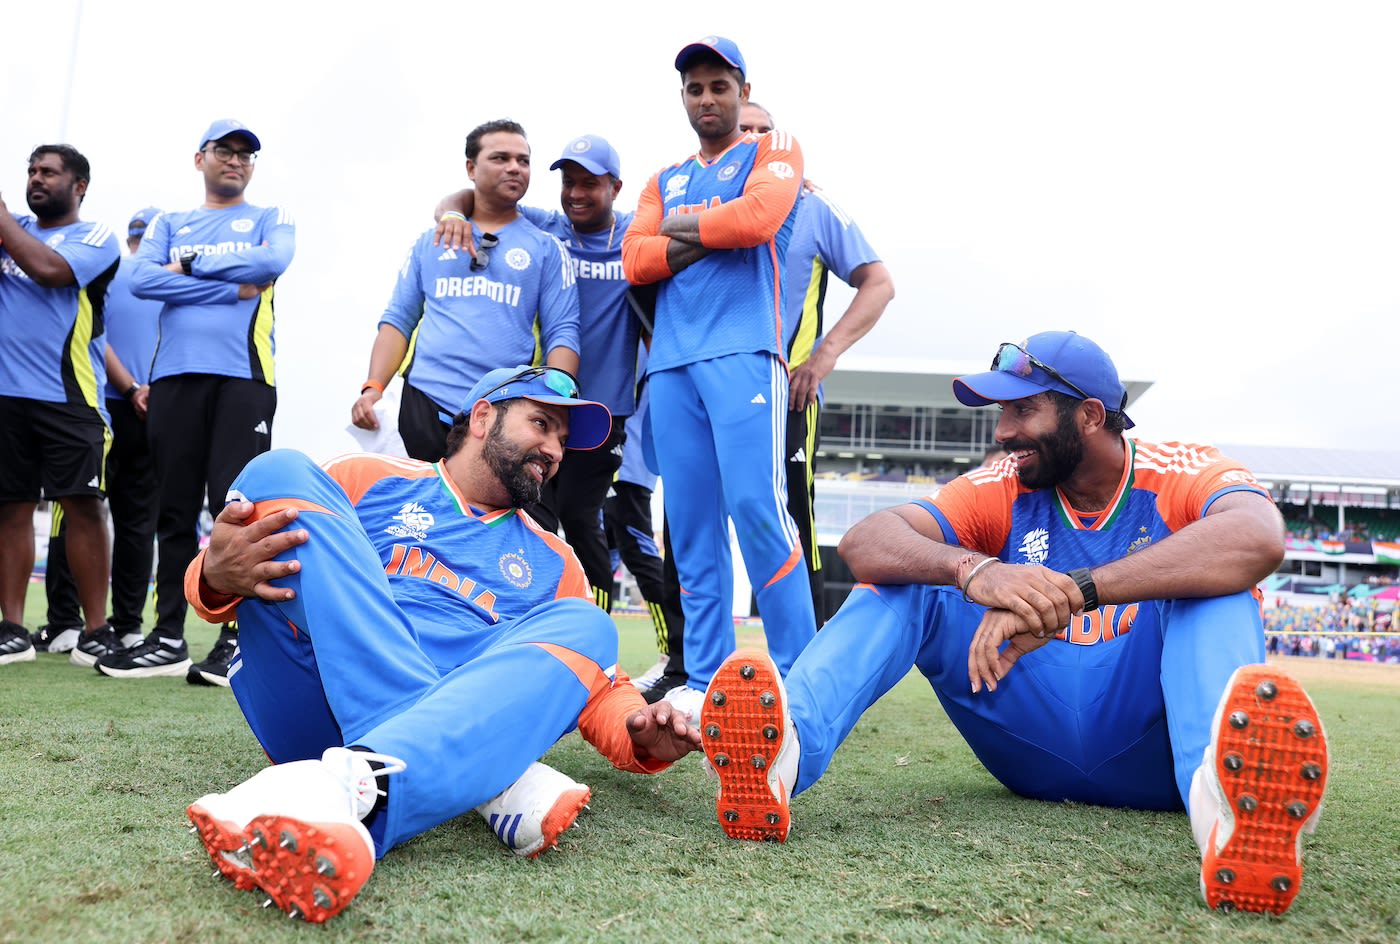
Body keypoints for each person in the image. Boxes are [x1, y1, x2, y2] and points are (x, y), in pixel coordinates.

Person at [698, 331, 1331, 916]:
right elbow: (867, 541)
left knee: (1218, 583)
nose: (1002, 431)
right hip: (1028, 737)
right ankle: (780, 759)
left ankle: (1228, 814)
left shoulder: (1179, 467)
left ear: (1088, 415)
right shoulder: (1002, 485)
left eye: (1022, 411)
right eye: (1001, 413)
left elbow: (1257, 537)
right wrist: (975, 571)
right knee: (910, 577)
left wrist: (1079, 592)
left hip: (1158, 755)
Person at [183, 365, 700, 923]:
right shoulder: (365, 476)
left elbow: (604, 689)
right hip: (313, 696)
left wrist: (642, 738)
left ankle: (343, 788)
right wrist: (212, 574)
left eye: (562, 441)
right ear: (483, 417)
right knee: (275, 471)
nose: (553, 449)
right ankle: (486, 779)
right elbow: (229, 569)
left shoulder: (557, 561)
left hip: (376, 747)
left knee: (588, 625)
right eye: (541, 424)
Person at [621, 36, 814, 720]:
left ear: (741, 88)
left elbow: (760, 218)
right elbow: (634, 261)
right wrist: (712, 229)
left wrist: (678, 230)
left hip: (743, 355)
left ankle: (798, 673)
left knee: (760, 510)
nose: (708, 98)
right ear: (683, 97)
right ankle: (704, 677)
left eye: (719, 86)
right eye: (695, 88)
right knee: (691, 529)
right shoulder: (661, 176)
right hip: (671, 365)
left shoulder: (774, 147)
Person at [106, 119, 295, 685]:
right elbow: (140, 278)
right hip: (174, 379)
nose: (236, 160)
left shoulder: (269, 218)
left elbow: (270, 265)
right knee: (174, 508)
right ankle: (166, 637)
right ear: (200, 159)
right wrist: (224, 283)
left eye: (246, 154)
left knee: (234, 507)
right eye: (225, 151)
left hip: (243, 378)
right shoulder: (170, 222)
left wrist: (185, 267)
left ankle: (234, 640)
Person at [432, 133, 637, 609]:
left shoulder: (635, 236)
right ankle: (526, 615)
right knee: (531, 512)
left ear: (616, 187)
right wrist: (451, 213)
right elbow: (475, 198)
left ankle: (594, 620)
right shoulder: (547, 229)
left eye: (590, 183)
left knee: (582, 519)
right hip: (547, 403)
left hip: (604, 411)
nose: (576, 193)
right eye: (569, 182)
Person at [351, 119, 580, 464]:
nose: (514, 168)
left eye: (523, 160)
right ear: (471, 168)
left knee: (489, 515)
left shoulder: (546, 248)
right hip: (423, 402)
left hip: (501, 408)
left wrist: (554, 404)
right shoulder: (430, 242)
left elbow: (562, 332)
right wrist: (372, 389)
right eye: (500, 158)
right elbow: (398, 320)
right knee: (412, 512)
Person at [0, 145, 121, 668]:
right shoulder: (13, 226)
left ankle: (96, 630)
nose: (36, 178)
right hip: (7, 396)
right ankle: (12, 627)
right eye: (31, 171)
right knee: (10, 508)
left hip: (69, 396)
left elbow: (50, 269)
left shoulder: (94, 237)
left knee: (83, 507)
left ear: (79, 186)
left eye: (48, 172)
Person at [32, 206, 163, 656]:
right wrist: (146, 391)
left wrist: (129, 388)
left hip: (99, 398)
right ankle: (126, 627)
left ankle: (65, 622)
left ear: (129, 236)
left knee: (76, 512)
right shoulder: (162, 279)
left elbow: (96, 338)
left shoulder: (110, 269)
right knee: (135, 523)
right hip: (147, 406)